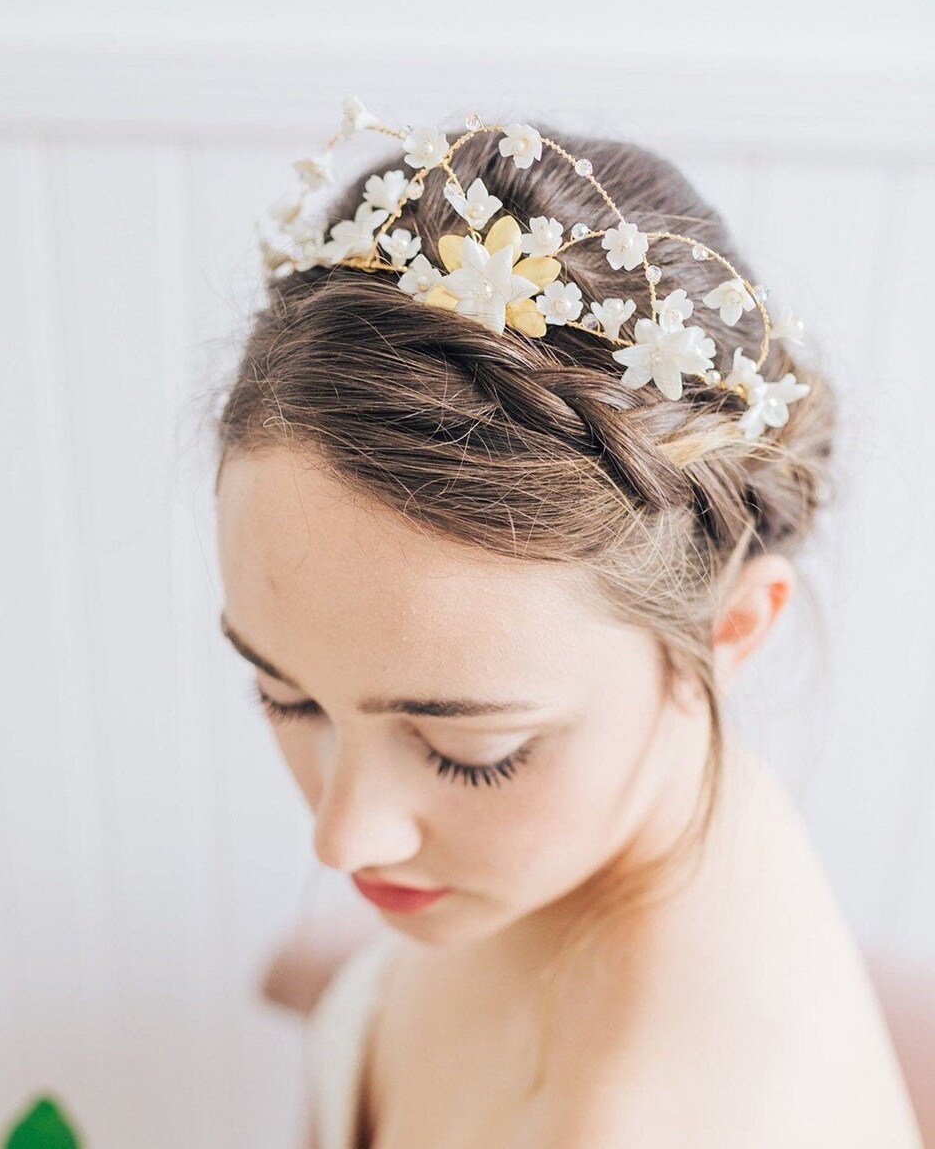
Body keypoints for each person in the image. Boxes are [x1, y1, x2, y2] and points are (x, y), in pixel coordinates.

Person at [211, 103, 924, 1148]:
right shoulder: (596, 831)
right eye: (285, 694)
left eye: (473, 754)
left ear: (731, 632)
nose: (342, 837)